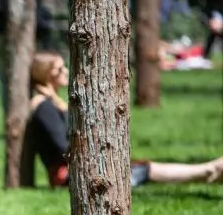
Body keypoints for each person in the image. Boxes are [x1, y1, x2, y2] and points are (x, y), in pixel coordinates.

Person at [26, 51, 223, 188]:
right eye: (60, 69)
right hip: (68, 177)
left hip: (80, 169)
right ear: (46, 74)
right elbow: (61, 147)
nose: (66, 72)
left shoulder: (53, 102)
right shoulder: (43, 107)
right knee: (145, 170)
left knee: (141, 168)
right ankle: (208, 171)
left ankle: (209, 171)